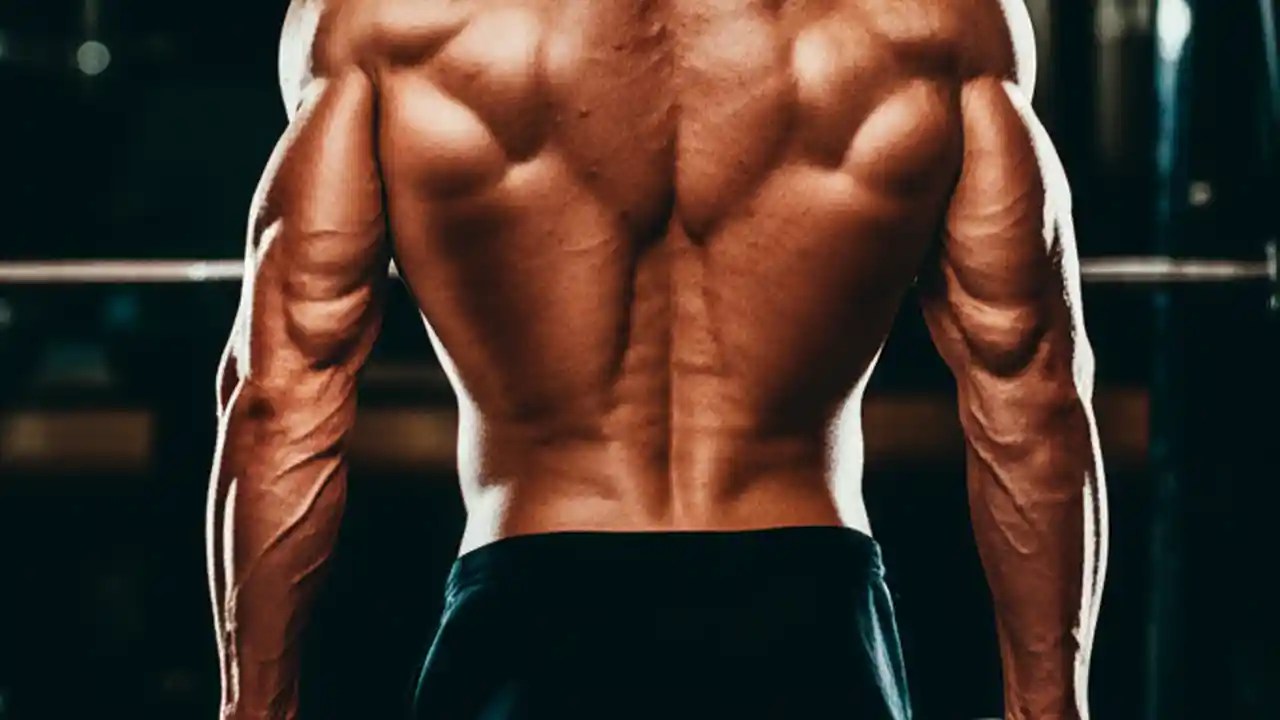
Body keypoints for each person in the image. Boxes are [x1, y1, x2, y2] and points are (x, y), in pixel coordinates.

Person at [205, 0, 1108, 718]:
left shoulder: (393, 22)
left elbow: (281, 393)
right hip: (810, 625)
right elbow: (1030, 385)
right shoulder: (932, 22)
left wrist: (254, 708)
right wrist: (1049, 707)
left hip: (530, 619)